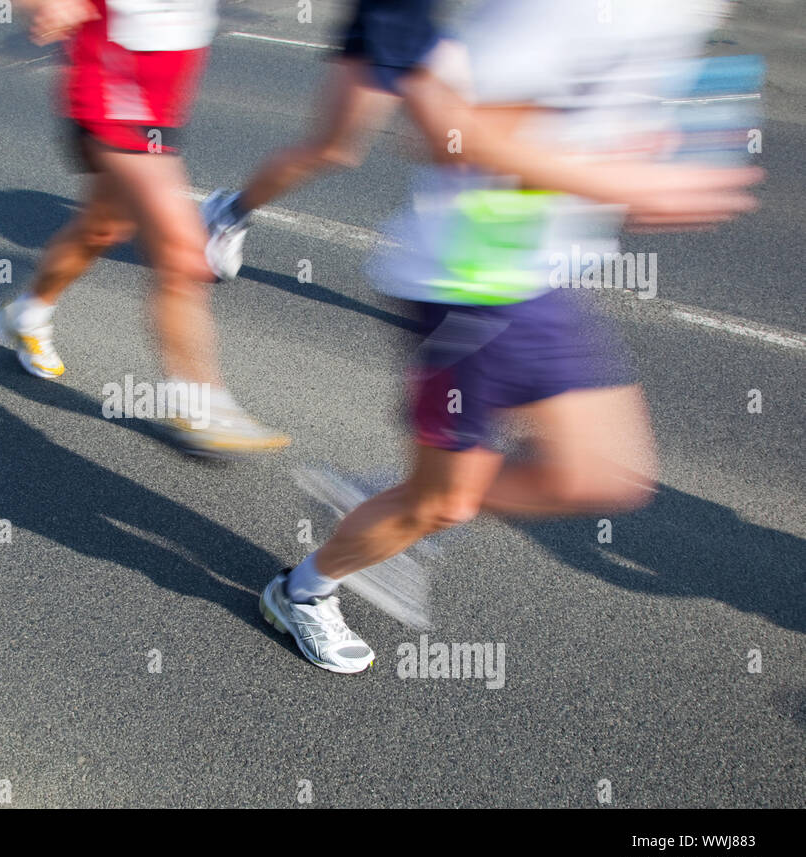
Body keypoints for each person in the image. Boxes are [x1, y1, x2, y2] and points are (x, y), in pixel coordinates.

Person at [259, 0, 762, 673]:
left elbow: (591, 109)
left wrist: (646, 151)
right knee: (445, 501)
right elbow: (452, 133)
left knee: (600, 475)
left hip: (546, 275)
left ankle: (398, 497)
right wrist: (625, 179)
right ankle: (305, 588)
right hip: (467, 276)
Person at [0, 0, 290, 457]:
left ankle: (27, 313)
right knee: (183, 252)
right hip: (112, 87)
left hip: (162, 100)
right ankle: (199, 403)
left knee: (101, 230)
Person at [201, 0, 443, 281]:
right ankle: (229, 212)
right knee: (335, 149)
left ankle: (452, 252)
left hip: (428, 28)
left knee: (453, 144)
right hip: (387, 29)